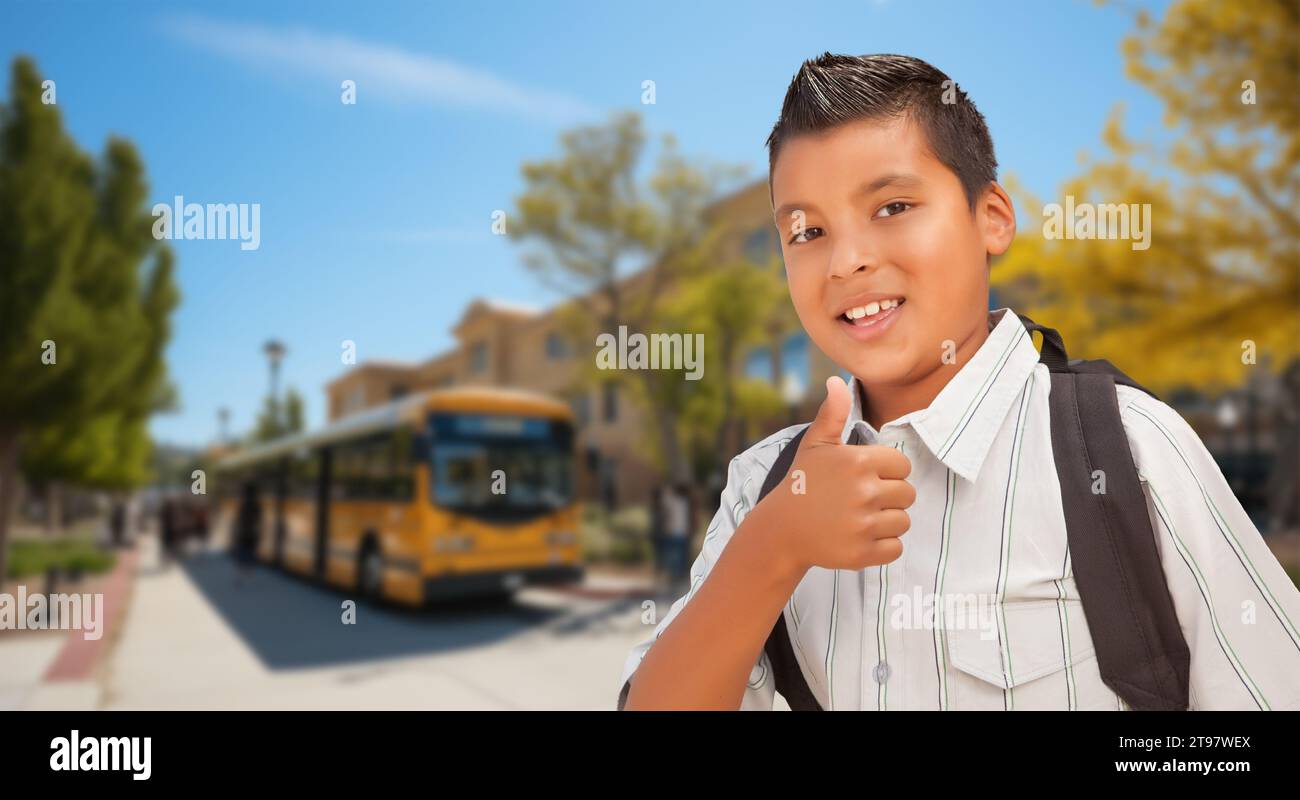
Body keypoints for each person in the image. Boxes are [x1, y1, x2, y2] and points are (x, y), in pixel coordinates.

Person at [619, 53, 1300, 711]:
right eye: (808, 230)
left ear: (992, 219)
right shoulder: (764, 484)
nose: (847, 261)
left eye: (892, 208)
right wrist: (771, 550)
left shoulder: (1129, 449)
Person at [234, 481, 261, 583]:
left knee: (242, 552)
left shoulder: (243, 505)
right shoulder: (257, 505)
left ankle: (240, 574)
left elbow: (239, 519)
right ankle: (249, 573)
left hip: (244, 532)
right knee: (251, 551)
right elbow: (258, 520)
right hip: (252, 532)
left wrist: (237, 531)